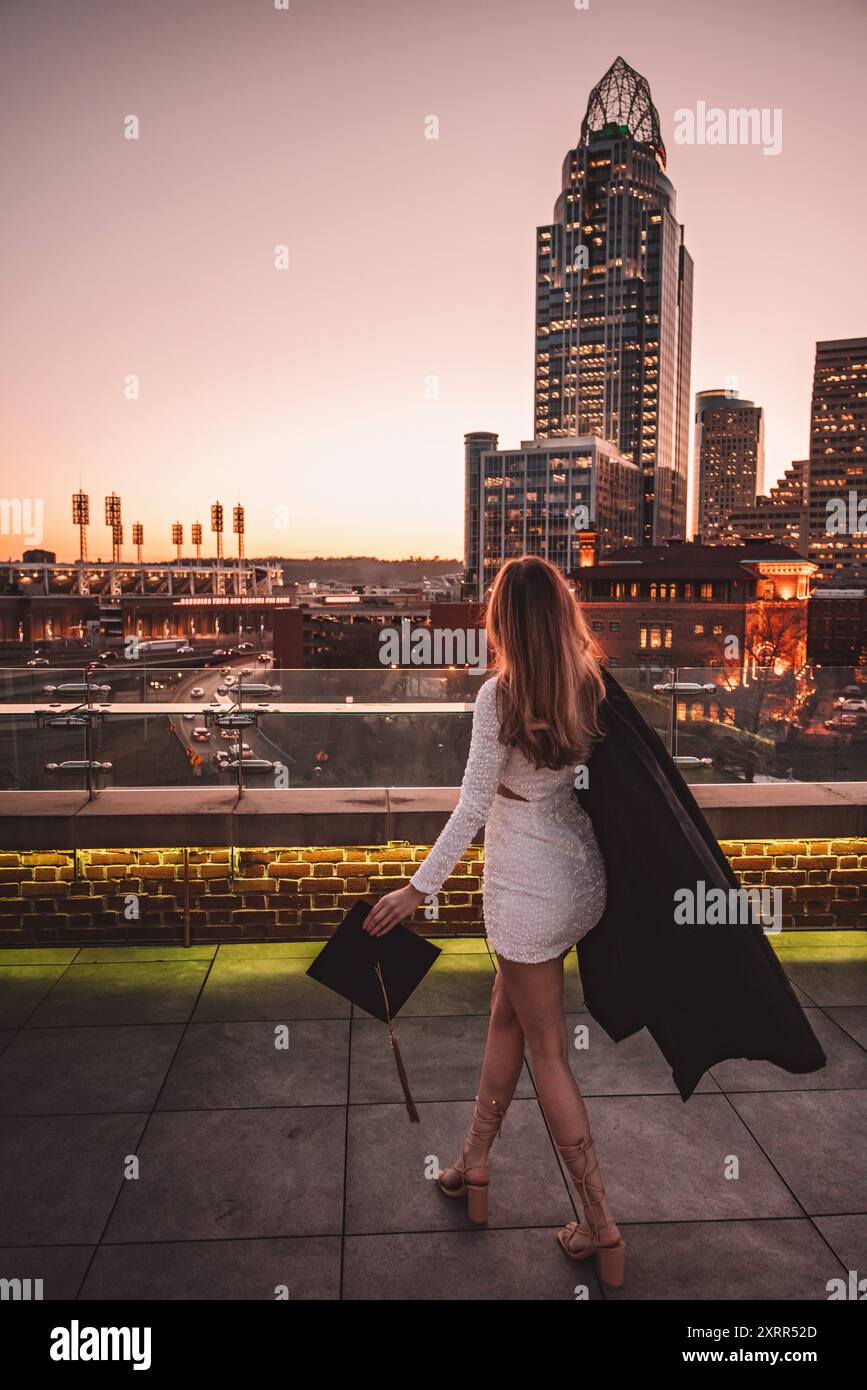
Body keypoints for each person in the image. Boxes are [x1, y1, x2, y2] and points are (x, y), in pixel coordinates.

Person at [364, 555, 625, 1288]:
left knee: (548, 1051)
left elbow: (473, 805)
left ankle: (600, 1224)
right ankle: (470, 1167)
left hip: (525, 891)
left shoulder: (498, 697)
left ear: (503, 620)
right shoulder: (587, 684)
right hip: (579, 879)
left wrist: (417, 890)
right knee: (505, 1019)